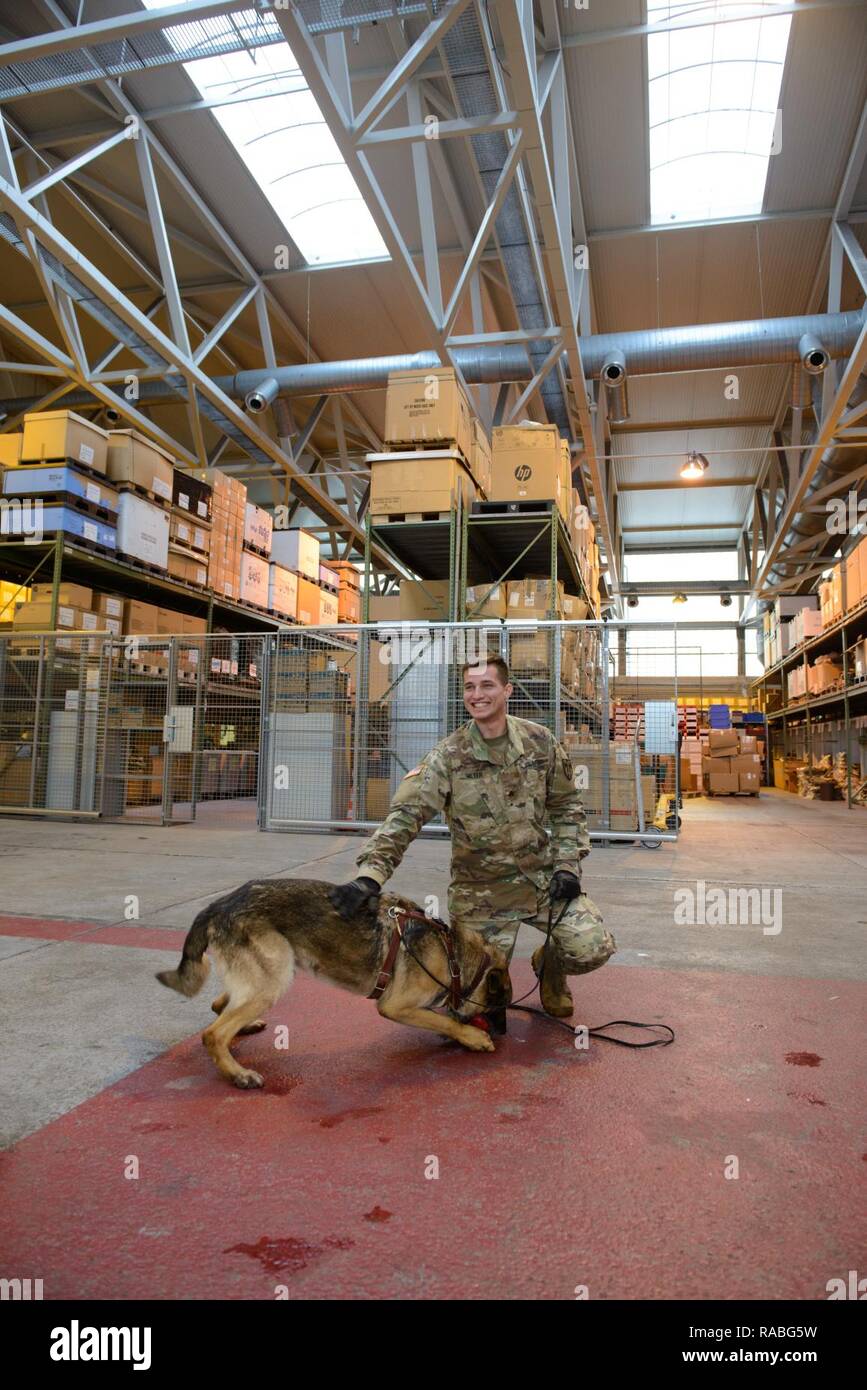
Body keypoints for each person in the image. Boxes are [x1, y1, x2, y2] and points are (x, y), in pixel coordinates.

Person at [330, 657, 616, 1017]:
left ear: (507, 690)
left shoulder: (540, 743)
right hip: (481, 895)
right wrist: (369, 877)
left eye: (487, 685)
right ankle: (491, 983)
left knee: (591, 947)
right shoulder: (449, 757)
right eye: (469, 687)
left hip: (542, 882)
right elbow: (406, 816)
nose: (477, 695)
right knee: (475, 1012)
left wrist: (567, 867)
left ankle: (550, 968)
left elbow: (567, 807)